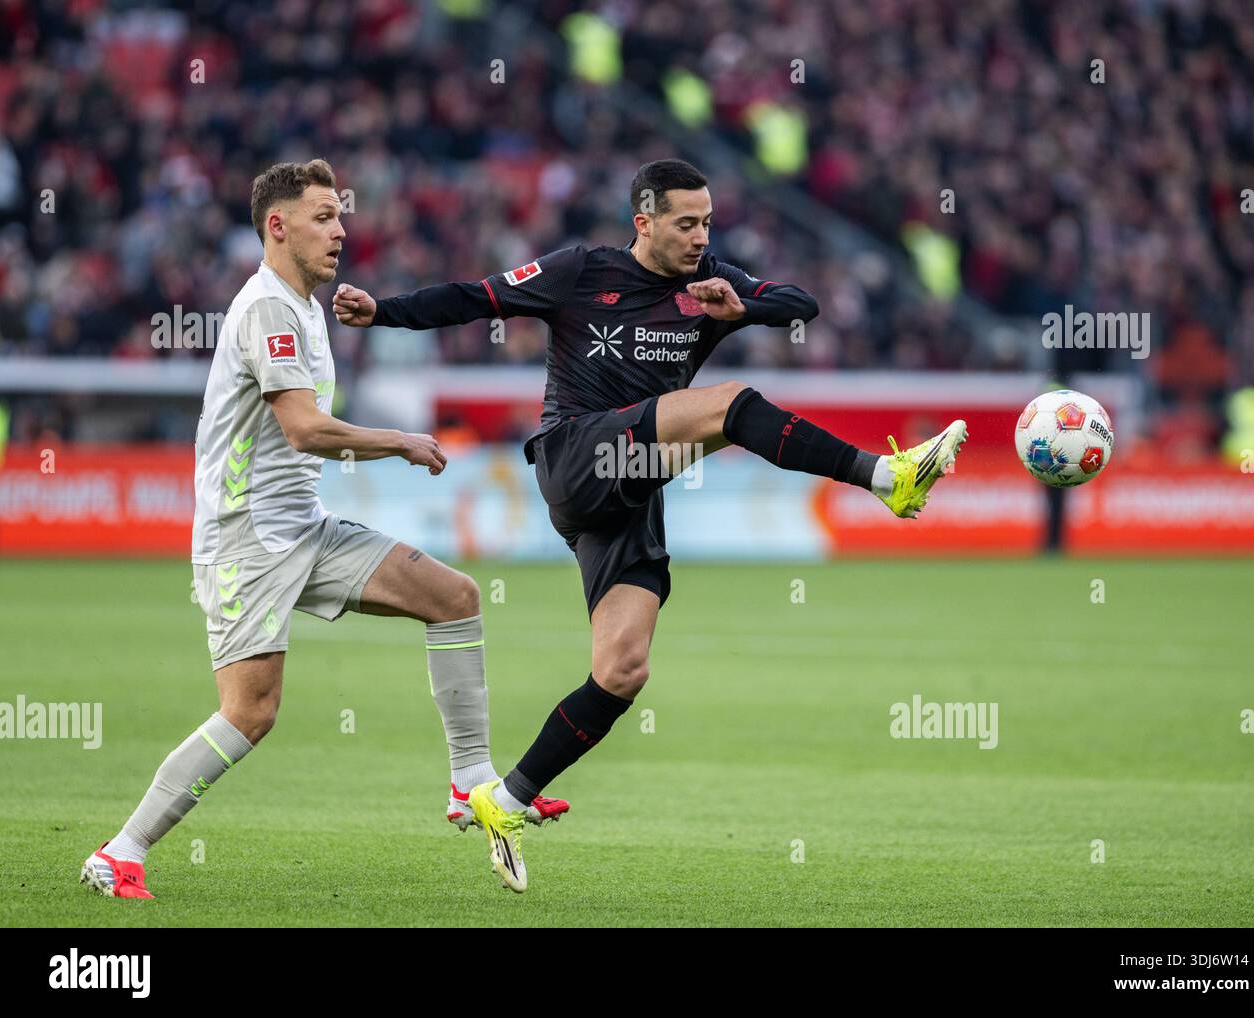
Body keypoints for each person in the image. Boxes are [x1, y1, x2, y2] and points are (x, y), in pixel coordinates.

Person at [334, 159, 965, 892]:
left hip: (632, 490)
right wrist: (381, 311)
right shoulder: (579, 271)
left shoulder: (711, 284)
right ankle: (889, 478)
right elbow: (473, 299)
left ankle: (504, 800)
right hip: (576, 454)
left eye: (706, 222)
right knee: (731, 406)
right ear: (645, 222)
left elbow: (802, 305)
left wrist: (742, 309)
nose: (700, 237)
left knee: (622, 670)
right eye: (685, 223)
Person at [80, 159, 566, 900]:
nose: (342, 230)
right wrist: (399, 441)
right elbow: (304, 429)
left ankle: (470, 782)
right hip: (244, 539)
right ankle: (121, 851)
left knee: (455, 596)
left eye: (341, 216)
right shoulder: (268, 308)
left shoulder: (306, 306)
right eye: (322, 217)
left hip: (300, 529)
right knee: (251, 712)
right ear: (278, 227)